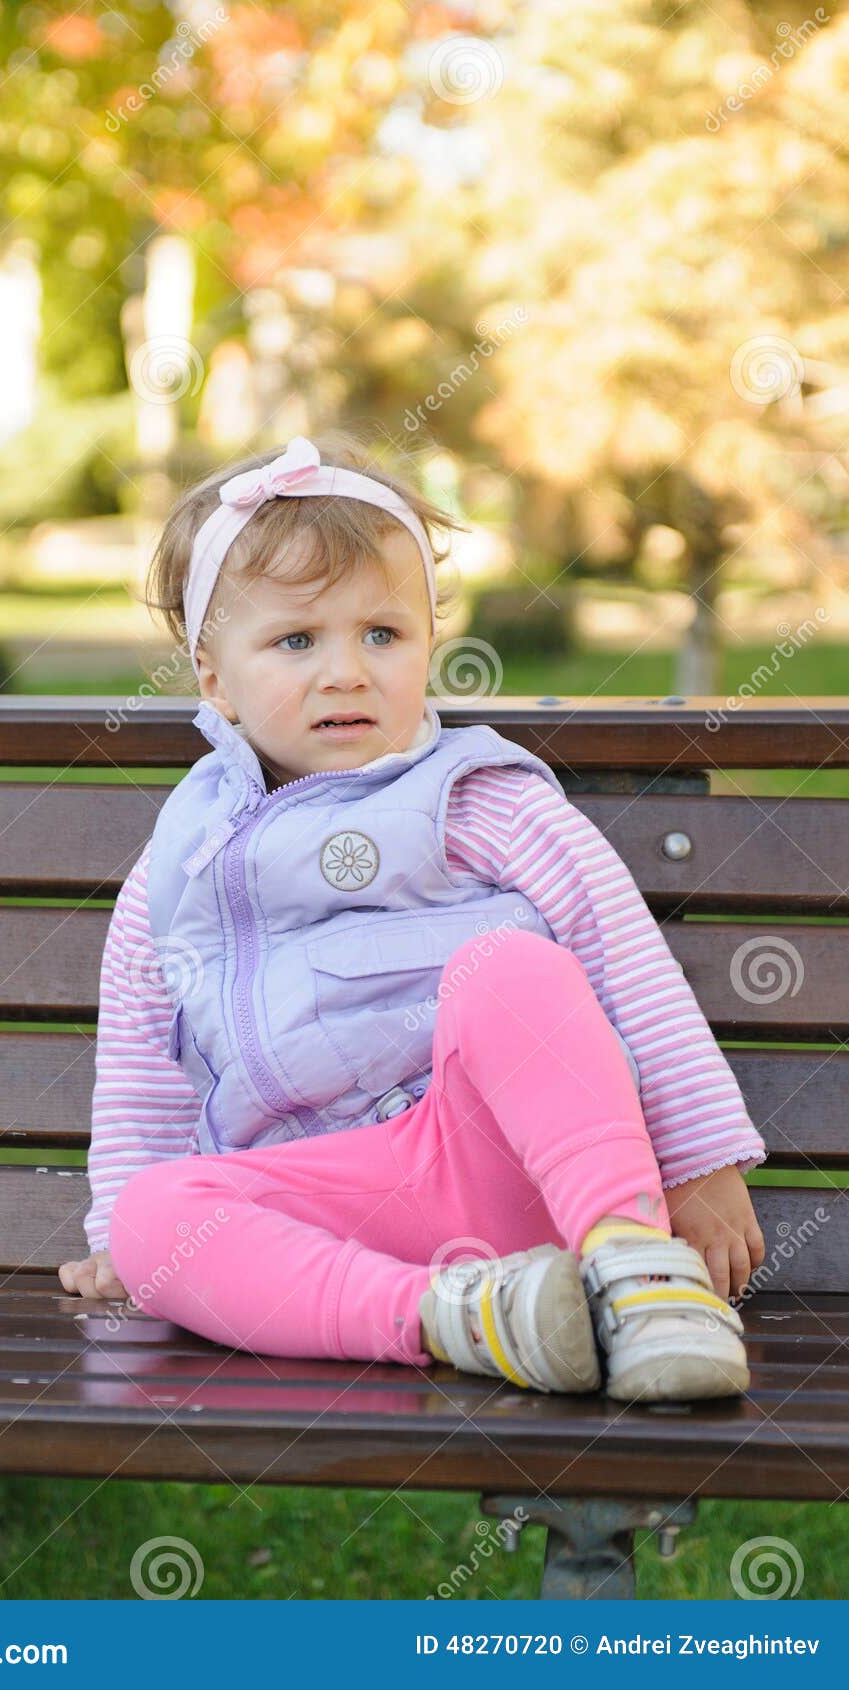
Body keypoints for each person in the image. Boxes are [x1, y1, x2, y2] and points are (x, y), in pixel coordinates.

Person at [59, 430, 768, 1402]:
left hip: (511, 1160)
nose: (347, 671)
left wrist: (696, 1160)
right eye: (296, 640)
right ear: (214, 677)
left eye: (382, 634)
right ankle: (465, 1317)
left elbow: (622, 957)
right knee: (156, 1219)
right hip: (331, 1212)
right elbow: (143, 1060)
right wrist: (115, 1242)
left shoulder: (478, 800)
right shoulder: (182, 865)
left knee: (508, 971)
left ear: (429, 646)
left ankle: (638, 1273)